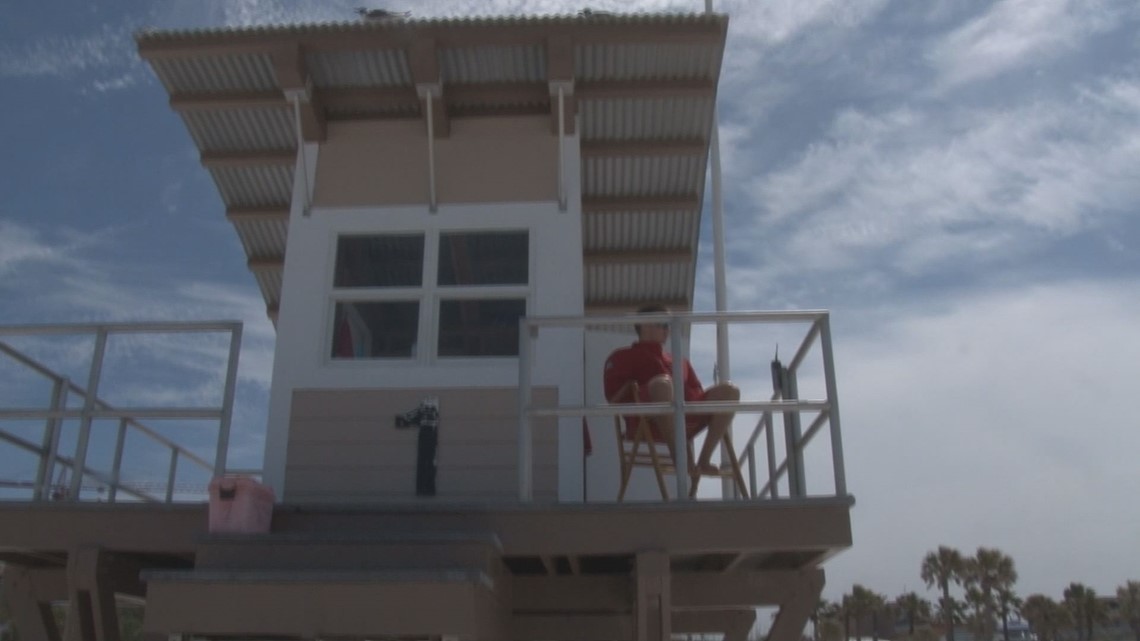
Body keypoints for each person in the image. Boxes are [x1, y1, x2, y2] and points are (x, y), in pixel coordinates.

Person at [603, 305, 740, 475]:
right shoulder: (622, 357)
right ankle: (680, 459)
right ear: (644, 325)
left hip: (685, 420)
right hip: (646, 424)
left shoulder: (680, 362)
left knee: (730, 391)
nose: (668, 329)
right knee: (662, 384)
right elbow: (613, 398)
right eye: (663, 323)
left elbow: (697, 392)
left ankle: (703, 460)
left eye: (669, 325)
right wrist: (646, 388)